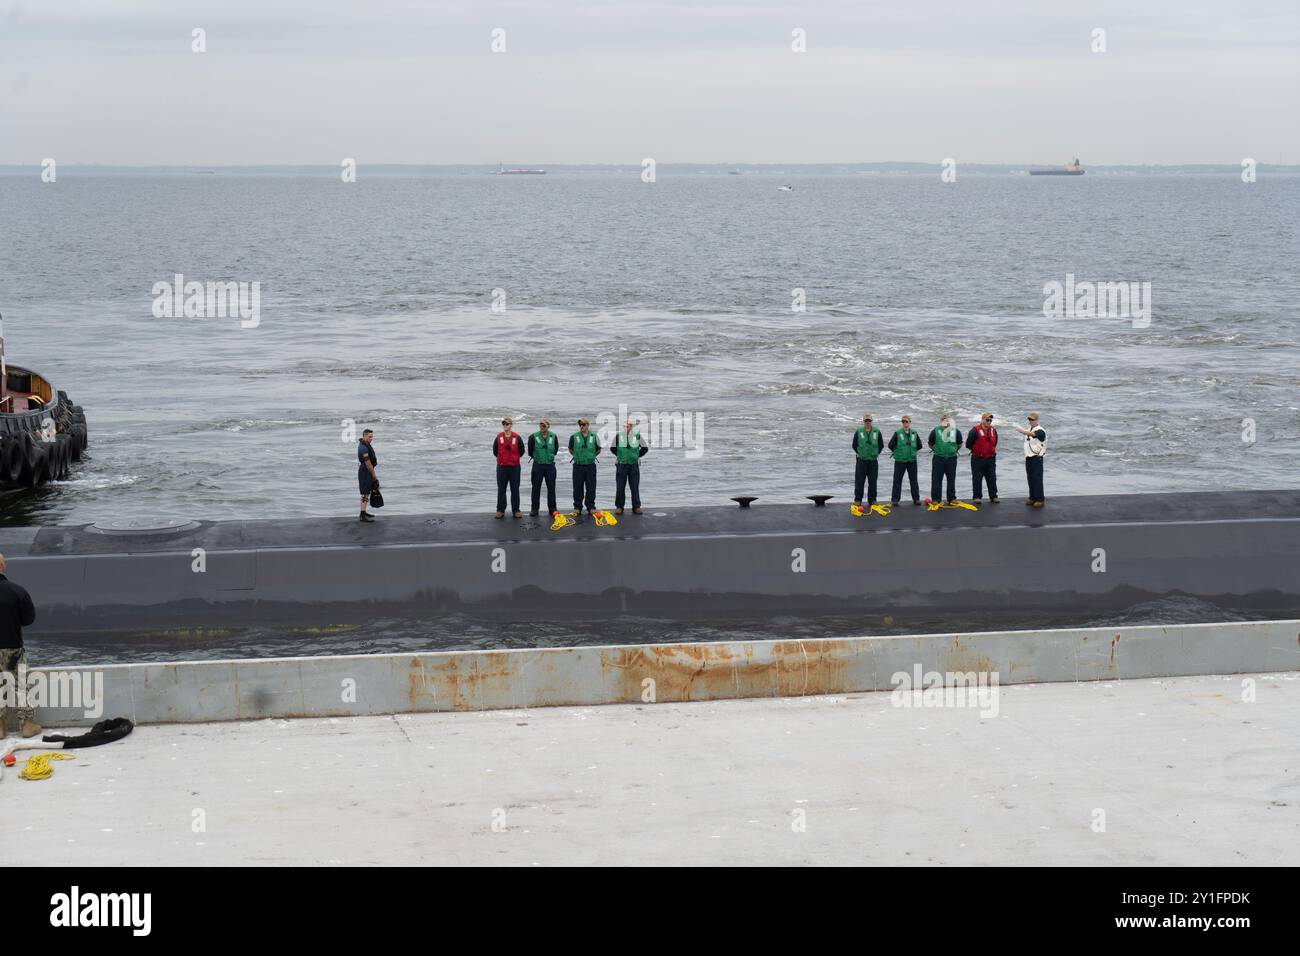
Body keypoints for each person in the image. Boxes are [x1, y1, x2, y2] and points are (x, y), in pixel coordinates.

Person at [0, 553, 40, 738]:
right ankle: (27, 725)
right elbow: (28, 619)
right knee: (21, 684)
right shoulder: (18, 591)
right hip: (13, 647)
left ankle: (0, 727)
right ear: (2, 567)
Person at [613, 419, 648, 515]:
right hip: (621, 465)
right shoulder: (618, 436)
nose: (626, 428)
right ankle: (619, 507)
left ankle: (636, 506)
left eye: (627, 426)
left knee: (634, 486)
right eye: (624, 426)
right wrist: (620, 456)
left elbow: (645, 448)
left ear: (631, 427)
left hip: (633, 465)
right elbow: (612, 448)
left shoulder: (637, 436)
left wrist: (636, 456)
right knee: (620, 487)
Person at [926, 414, 963, 504]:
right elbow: (930, 443)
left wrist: (953, 450)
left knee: (951, 479)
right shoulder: (935, 431)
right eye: (943, 420)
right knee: (936, 479)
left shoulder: (956, 431)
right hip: (938, 458)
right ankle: (936, 499)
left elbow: (959, 443)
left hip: (951, 458)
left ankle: (951, 498)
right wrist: (937, 450)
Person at [493, 416, 525, 519]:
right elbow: (495, 451)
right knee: (501, 489)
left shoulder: (517, 437)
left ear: (511, 425)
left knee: (515, 489)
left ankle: (516, 510)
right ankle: (500, 510)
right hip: (502, 467)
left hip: (514, 467)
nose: (505, 426)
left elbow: (522, 451)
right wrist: (502, 459)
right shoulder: (499, 437)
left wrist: (514, 459)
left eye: (507, 424)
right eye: (503, 424)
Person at [1014, 412, 1048, 507]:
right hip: (1028, 457)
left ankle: (1040, 499)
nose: (1030, 421)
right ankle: (1032, 497)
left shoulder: (1041, 430)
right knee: (1030, 478)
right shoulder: (1029, 429)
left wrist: (1021, 430)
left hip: (1037, 458)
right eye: (1029, 419)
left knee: (1037, 479)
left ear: (1037, 420)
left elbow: (1033, 434)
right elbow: (1029, 433)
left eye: (1032, 420)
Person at [527, 418, 560, 516]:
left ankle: (552, 508)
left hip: (550, 465)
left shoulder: (553, 436)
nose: (542, 426)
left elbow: (555, 450)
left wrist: (549, 457)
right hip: (538, 465)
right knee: (536, 488)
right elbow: (530, 451)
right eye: (540, 424)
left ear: (548, 426)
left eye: (544, 425)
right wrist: (538, 457)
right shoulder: (533, 437)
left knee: (551, 488)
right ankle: (534, 509)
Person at [888, 415, 922, 506]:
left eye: (906, 422)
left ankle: (916, 499)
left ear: (910, 422)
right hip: (900, 461)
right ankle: (895, 499)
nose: (905, 424)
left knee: (914, 480)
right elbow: (890, 445)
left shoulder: (914, 433)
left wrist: (912, 451)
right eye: (903, 422)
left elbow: (919, 445)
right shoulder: (897, 433)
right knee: (897, 480)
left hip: (912, 460)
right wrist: (898, 452)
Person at [569, 418, 601, 514]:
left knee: (591, 487)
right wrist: (577, 456)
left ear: (588, 425)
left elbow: (598, 450)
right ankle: (577, 507)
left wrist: (591, 456)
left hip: (590, 465)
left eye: (583, 424)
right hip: (578, 465)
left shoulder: (594, 436)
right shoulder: (574, 437)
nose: (581, 426)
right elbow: (570, 449)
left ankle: (591, 506)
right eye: (580, 425)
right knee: (577, 487)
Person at [966, 412, 1000, 502]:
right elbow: (968, 444)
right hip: (978, 459)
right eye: (987, 420)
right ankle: (977, 497)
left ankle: (993, 496)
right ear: (982, 420)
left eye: (990, 420)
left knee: (992, 477)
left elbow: (995, 442)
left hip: (990, 458)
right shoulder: (974, 430)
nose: (989, 422)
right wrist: (977, 451)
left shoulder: (993, 430)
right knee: (977, 478)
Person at [852, 413, 884, 506]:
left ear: (871, 421)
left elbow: (881, 445)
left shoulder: (877, 431)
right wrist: (860, 453)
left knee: (873, 481)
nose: (867, 422)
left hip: (873, 461)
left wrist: (876, 453)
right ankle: (858, 499)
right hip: (861, 460)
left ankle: (872, 500)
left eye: (869, 420)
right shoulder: (859, 431)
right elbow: (854, 445)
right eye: (866, 420)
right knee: (859, 481)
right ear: (863, 421)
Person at [357, 428, 379, 523]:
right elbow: (368, 464)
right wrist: (374, 476)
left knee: (366, 492)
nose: (371, 439)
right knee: (364, 493)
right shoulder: (363, 448)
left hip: (366, 471)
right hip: (365, 472)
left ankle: (364, 512)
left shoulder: (365, 444)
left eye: (372, 437)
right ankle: (362, 515)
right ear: (364, 436)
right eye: (370, 437)